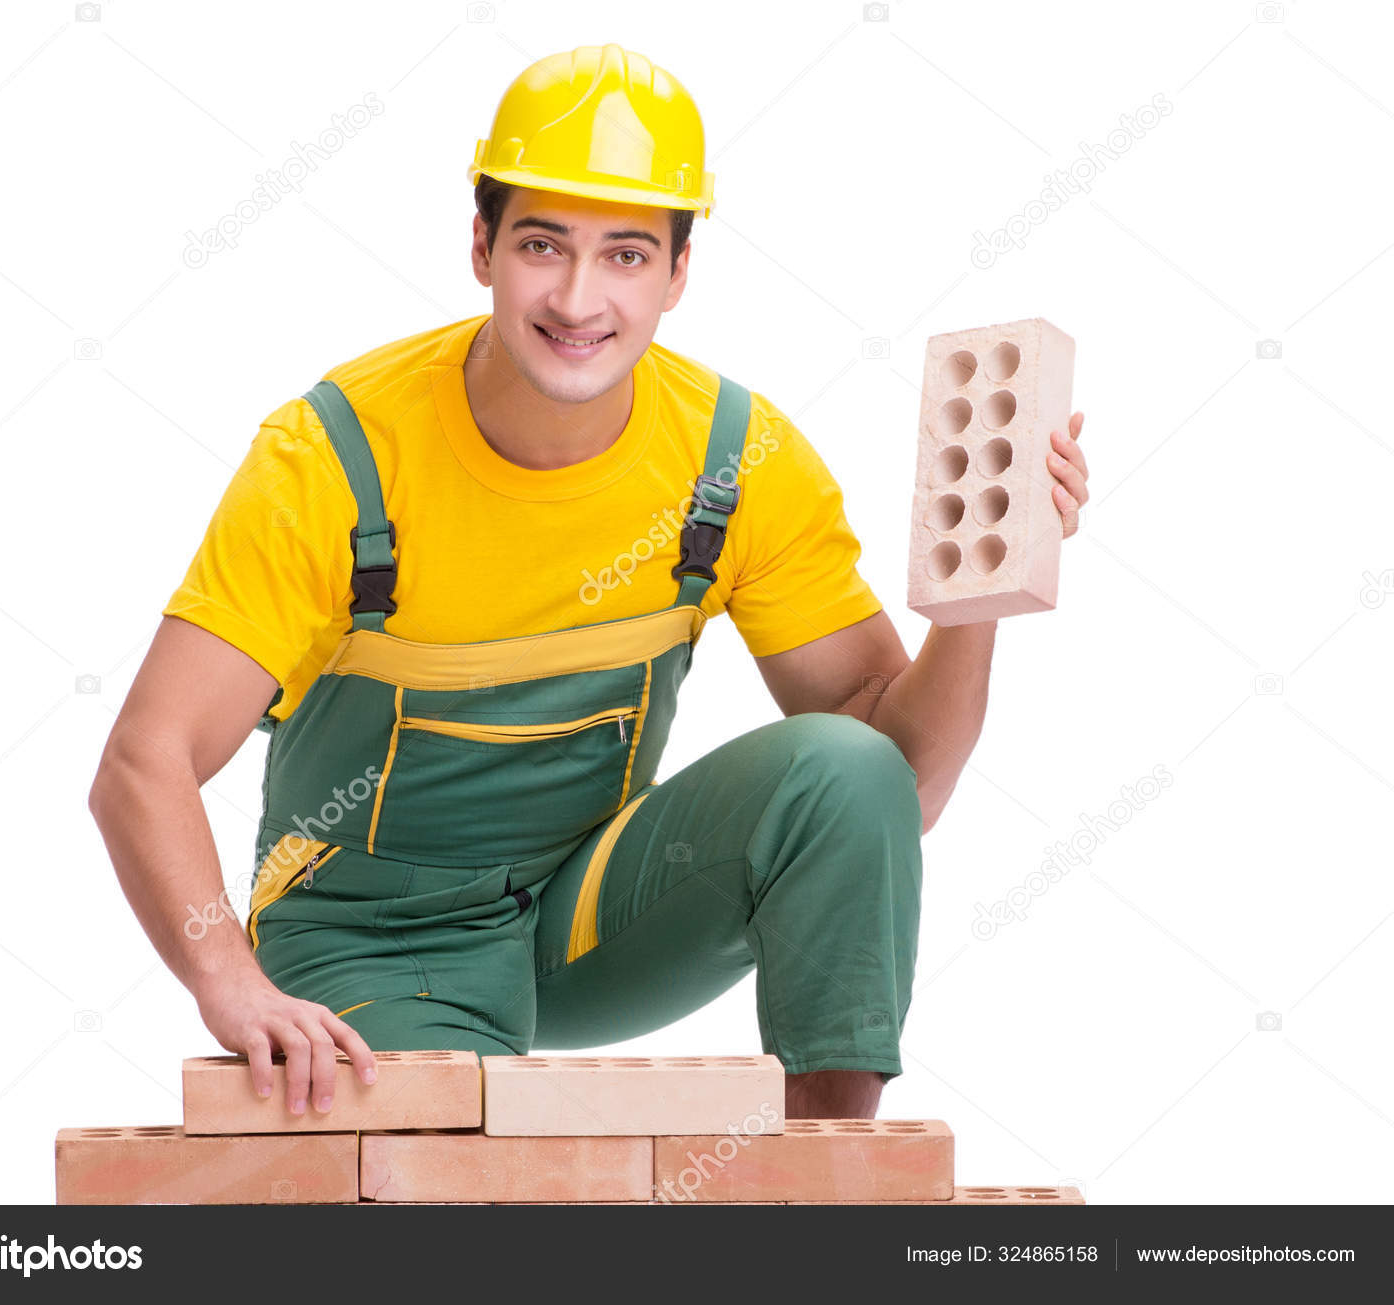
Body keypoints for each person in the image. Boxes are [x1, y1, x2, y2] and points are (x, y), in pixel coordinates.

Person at [88, 42, 1089, 1123]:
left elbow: (892, 789)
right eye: (540, 245)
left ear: (676, 273)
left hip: (585, 918)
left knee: (842, 766)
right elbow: (144, 761)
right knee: (450, 1190)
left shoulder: (732, 461)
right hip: (371, 942)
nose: (576, 297)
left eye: (622, 254)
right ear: (479, 246)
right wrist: (227, 984)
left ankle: (827, 1178)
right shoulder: (335, 458)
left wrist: (975, 599)